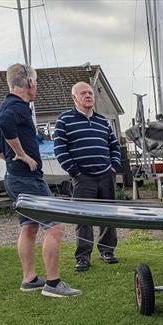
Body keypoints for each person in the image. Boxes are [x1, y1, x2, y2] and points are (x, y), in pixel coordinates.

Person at [0, 64, 81, 298]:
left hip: (15, 178)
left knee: (29, 226)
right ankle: (53, 284)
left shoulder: (6, 104)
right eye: (36, 82)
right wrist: (21, 154)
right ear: (29, 83)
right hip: (27, 178)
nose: (36, 86)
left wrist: (5, 155)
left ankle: (29, 279)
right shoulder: (16, 106)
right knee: (55, 227)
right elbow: (5, 124)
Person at [54, 81, 122, 271]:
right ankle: (83, 256)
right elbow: (60, 149)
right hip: (83, 178)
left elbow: (114, 146)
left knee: (108, 216)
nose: (88, 96)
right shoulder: (64, 120)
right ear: (74, 98)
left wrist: (114, 166)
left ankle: (107, 250)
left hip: (105, 175)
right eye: (83, 93)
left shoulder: (102, 121)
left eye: (90, 93)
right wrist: (75, 171)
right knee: (83, 218)